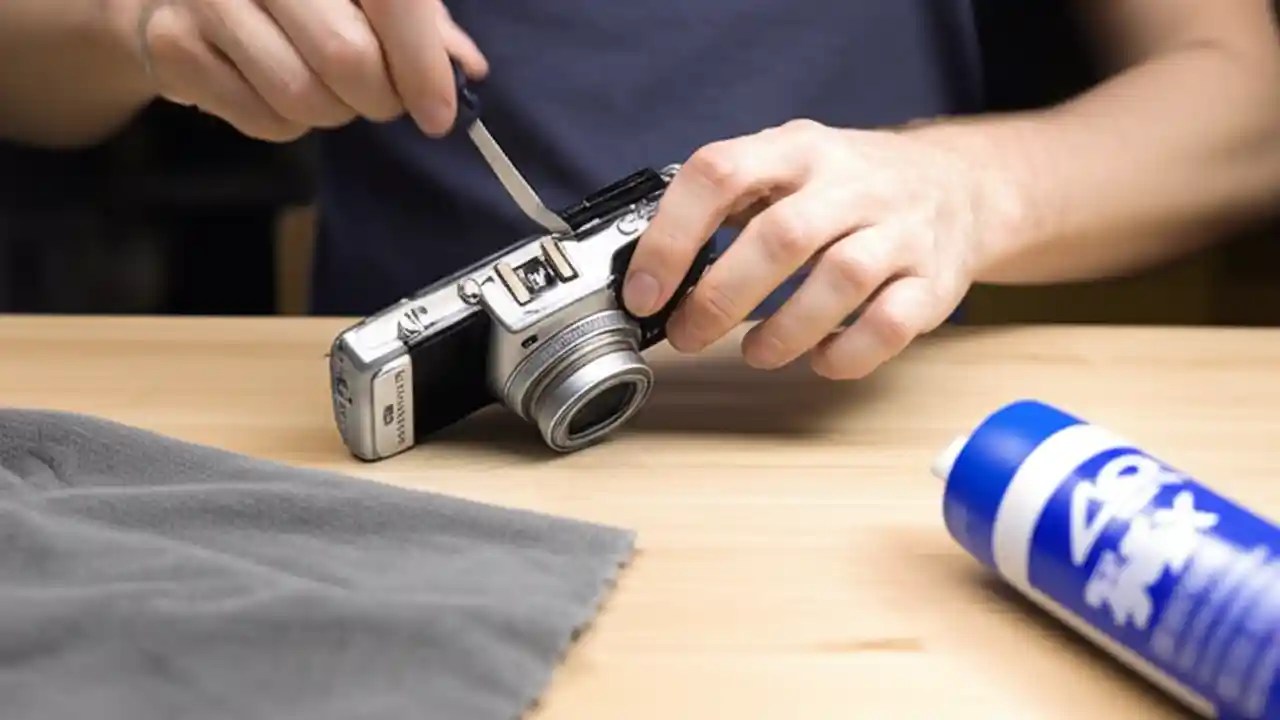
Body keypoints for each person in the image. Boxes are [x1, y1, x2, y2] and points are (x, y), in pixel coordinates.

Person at [2, 1, 1278, 381]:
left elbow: (1241, 96)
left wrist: (965, 185)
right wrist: (140, 21)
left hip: (881, 438)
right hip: (418, 493)